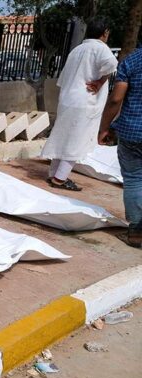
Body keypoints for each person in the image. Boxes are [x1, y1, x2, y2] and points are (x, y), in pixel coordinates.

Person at [40, 18, 117, 191]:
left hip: (68, 99)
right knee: (76, 140)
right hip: (85, 101)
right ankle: (60, 178)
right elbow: (112, 64)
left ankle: (54, 174)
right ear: (104, 33)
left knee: (63, 137)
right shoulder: (100, 48)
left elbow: (64, 77)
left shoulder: (77, 49)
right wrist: (100, 81)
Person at [99, 48, 142, 248]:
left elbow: (116, 99)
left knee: (133, 179)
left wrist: (104, 127)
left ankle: (136, 233)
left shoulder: (132, 60)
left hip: (132, 132)